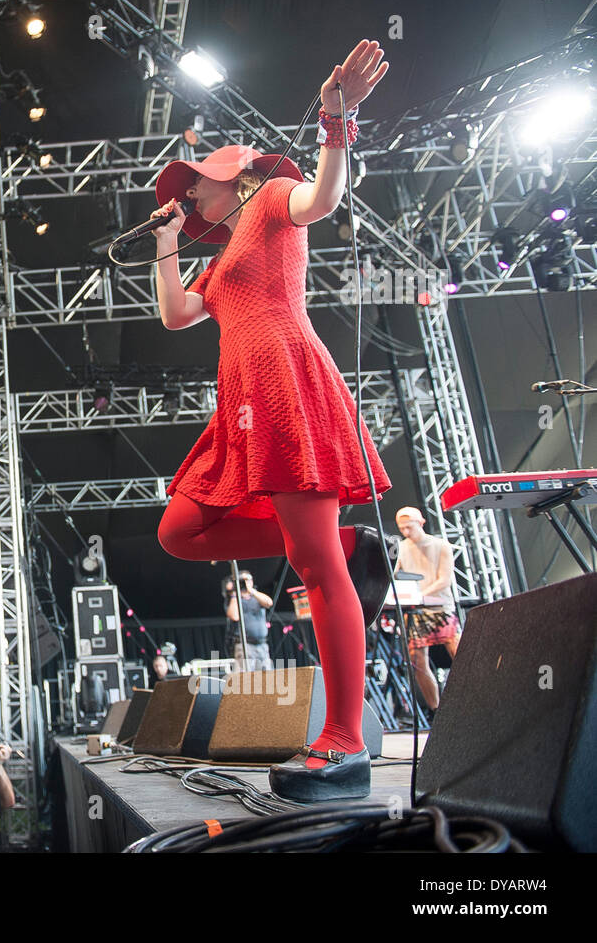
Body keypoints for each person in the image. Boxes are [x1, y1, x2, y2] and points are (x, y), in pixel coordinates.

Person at [152, 40, 392, 802]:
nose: (188, 199)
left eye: (194, 188)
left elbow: (324, 197)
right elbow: (175, 314)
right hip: (245, 408)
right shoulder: (215, 263)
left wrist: (335, 117)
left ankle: (344, 738)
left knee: (316, 570)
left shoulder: (272, 206)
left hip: (287, 383)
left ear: (235, 177)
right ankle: (347, 545)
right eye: (184, 193)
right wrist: (164, 243)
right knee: (179, 529)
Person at [394, 506, 461, 711]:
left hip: (441, 606)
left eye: (409, 527)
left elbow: (444, 579)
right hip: (416, 610)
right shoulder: (401, 548)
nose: (406, 532)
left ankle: (473, 698)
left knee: (459, 652)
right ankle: (436, 709)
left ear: (420, 522)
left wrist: (422, 595)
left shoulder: (440, 545)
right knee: (417, 660)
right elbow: (394, 575)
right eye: (402, 528)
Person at [224, 571, 274, 671]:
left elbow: (269, 603)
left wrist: (251, 591)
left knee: (267, 677)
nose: (245, 583)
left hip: (262, 644)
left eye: (247, 580)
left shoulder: (256, 597)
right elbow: (234, 616)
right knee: (246, 678)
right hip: (244, 645)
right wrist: (234, 593)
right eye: (242, 581)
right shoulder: (233, 600)